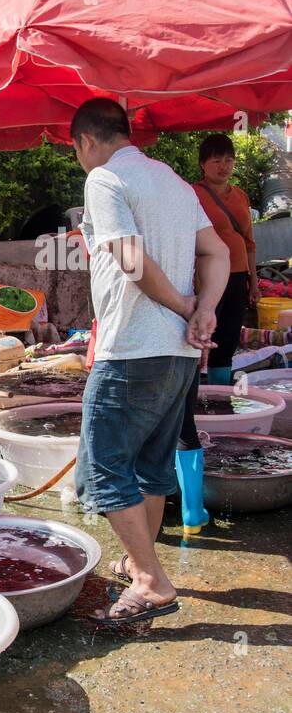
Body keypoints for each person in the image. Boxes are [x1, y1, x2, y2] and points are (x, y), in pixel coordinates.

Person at [70, 98, 230, 624]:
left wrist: (187, 304)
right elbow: (218, 253)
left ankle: (151, 581)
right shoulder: (172, 181)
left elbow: (130, 257)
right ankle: (144, 562)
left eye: (76, 151)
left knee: (103, 465)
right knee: (153, 465)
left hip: (133, 347)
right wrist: (204, 309)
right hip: (180, 351)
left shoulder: (104, 180)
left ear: (86, 141)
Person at [190, 133, 259, 385]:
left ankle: (221, 393)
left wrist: (254, 281)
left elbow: (249, 242)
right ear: (202, 164)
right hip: (206, 276)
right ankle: (190, 392)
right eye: (216, 160)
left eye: (228, 160)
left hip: (239, 274)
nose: (223, 166)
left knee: (228, 334)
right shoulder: (192, 193)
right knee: (201, 332)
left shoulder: (240, 195)